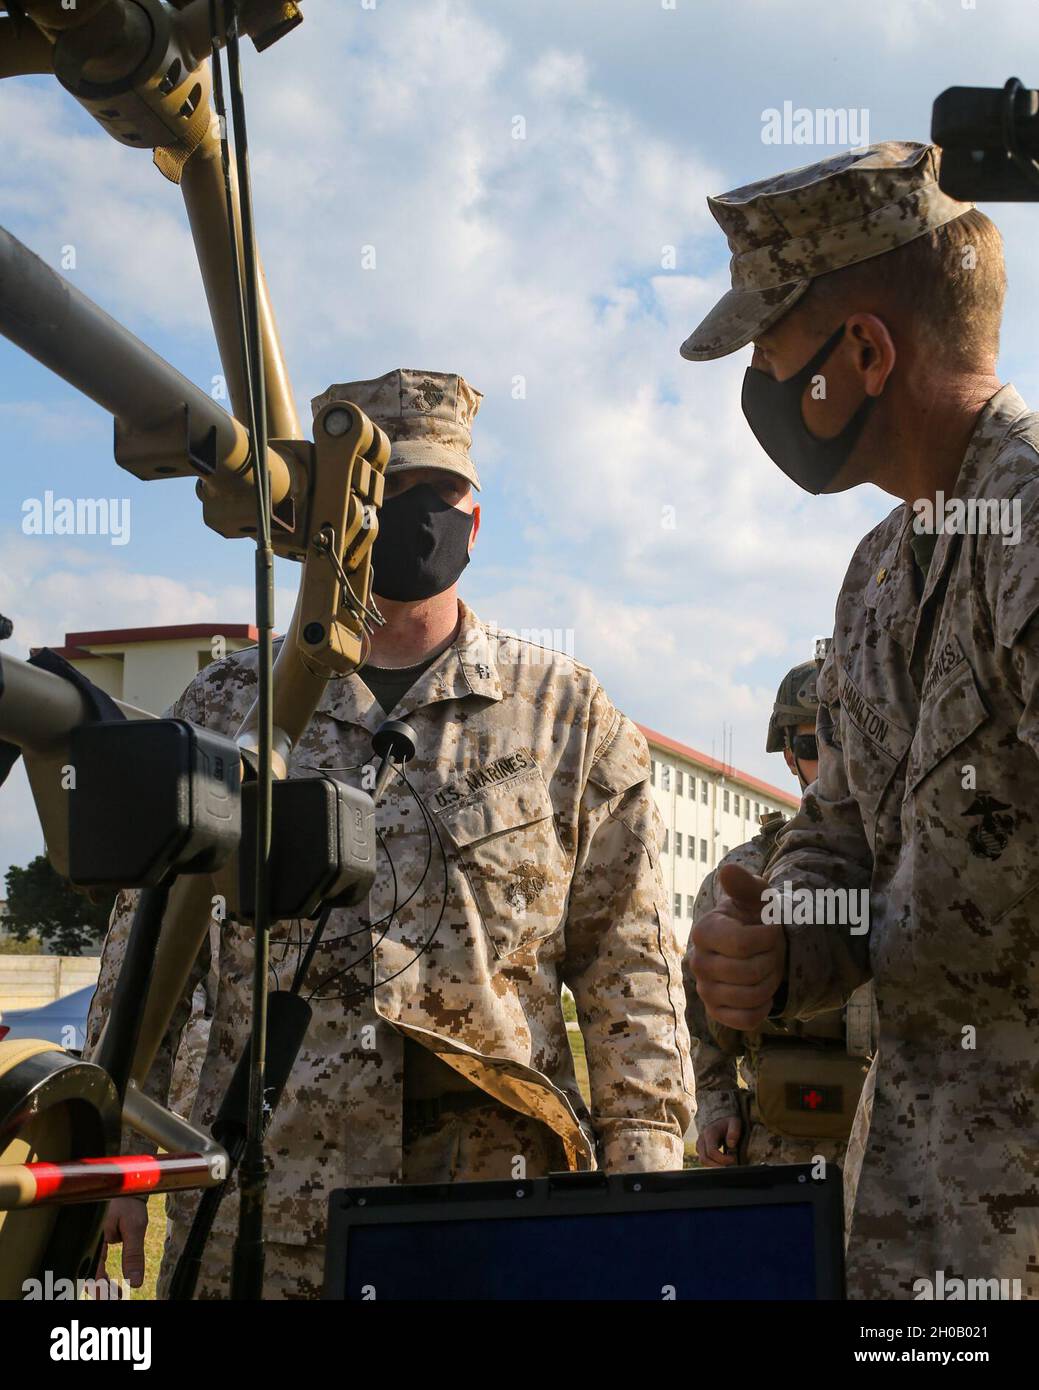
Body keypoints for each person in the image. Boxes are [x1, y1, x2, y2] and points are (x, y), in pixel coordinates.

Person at [85, 367, 692, 1299]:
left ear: (475, 522)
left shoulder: (566, 716)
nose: (413, 517)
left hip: (495, 1206)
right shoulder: (229, 704)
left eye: (438, 495)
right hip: (268, 1203)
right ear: (330, 517)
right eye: (387, 492)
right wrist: (116, 1152)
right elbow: (148, 940)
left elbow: (626, 964)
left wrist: (644, 1162)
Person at [683, 141, 1039, 1299]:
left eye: (776, 354)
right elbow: (838, 835)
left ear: (867, 353)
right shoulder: (877, 573)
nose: (765, 392)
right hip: (913, 1214)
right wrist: (778, 943)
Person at [686, 657, 872, 1170]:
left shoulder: (915, 864)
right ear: (790, 755)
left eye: (848, 743)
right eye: (815, 746)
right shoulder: (746, 873)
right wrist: (717, 1106)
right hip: (779, 1144)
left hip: (902, 1144)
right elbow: (704, 1018)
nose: (834, 762)